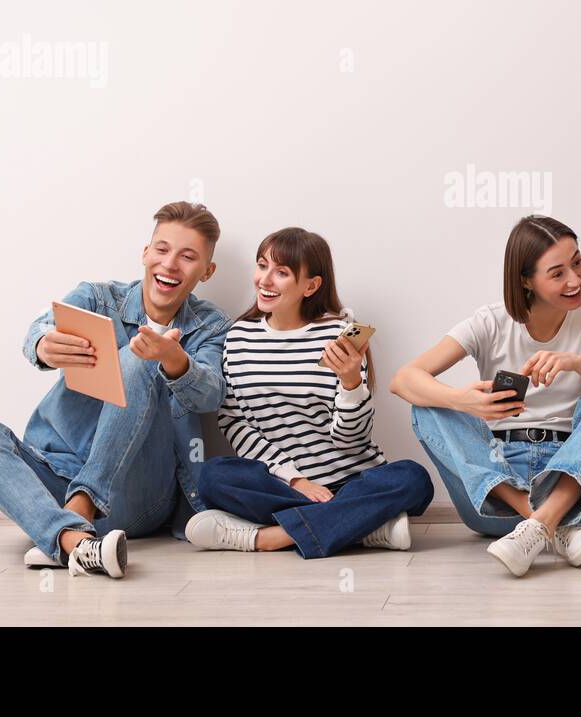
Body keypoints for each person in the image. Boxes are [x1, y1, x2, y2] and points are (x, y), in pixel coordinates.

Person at [0, 201, 232, 579]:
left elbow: (212, 393)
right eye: (163, 250)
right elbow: (41, 327)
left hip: (137, 494)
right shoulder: (98, 298)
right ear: (146, 252)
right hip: (59, 472)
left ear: (206, 271)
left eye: (188, 257)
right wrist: (41, 344)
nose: (170, 265)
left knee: (137, 358)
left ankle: (80, 509)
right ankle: (74, 543)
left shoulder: (210, 325)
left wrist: (174, 361)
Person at [392, 215, 581, 577]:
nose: (575, 279)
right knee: (427, 405)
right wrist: (462, 400)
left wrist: (578, 363)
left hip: (575, 487)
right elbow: (403, 379)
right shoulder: (490, 321)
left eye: (577, 261)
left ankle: (544, 521)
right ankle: (547, 524)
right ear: (526, 280)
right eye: (557, 274)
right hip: (497, 486)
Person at [185, 227, 434, 557]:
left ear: (311, 285)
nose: (265, 280)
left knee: (413, 478)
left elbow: (351, 441)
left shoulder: (337, 336)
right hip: (284, 485)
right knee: (214, 477)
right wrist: (296, 481)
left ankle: (270, 538)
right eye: (262, 266)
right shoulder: (239, 338)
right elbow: (235, 423)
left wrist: (350, 383)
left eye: (282, 272)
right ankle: (363, 527)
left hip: (352, 483)